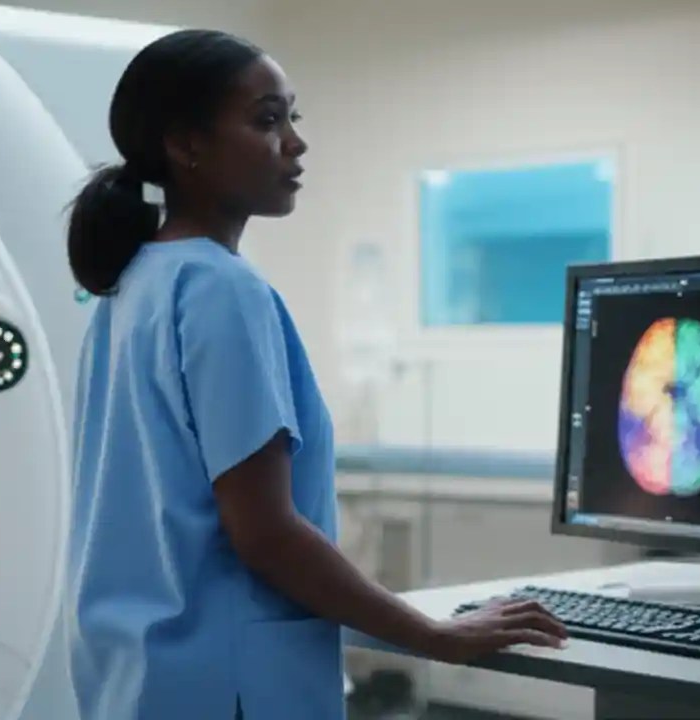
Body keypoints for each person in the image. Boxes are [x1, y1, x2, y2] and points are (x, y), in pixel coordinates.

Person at [63, 28, 568, 720]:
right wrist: (433, 636)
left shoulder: (129, 287)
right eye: (268, 120)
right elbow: (265, 533)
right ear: (188, 145)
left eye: (293, 117)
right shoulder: (221, 290)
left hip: (137, 679)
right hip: (229, 687)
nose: (295, 143)